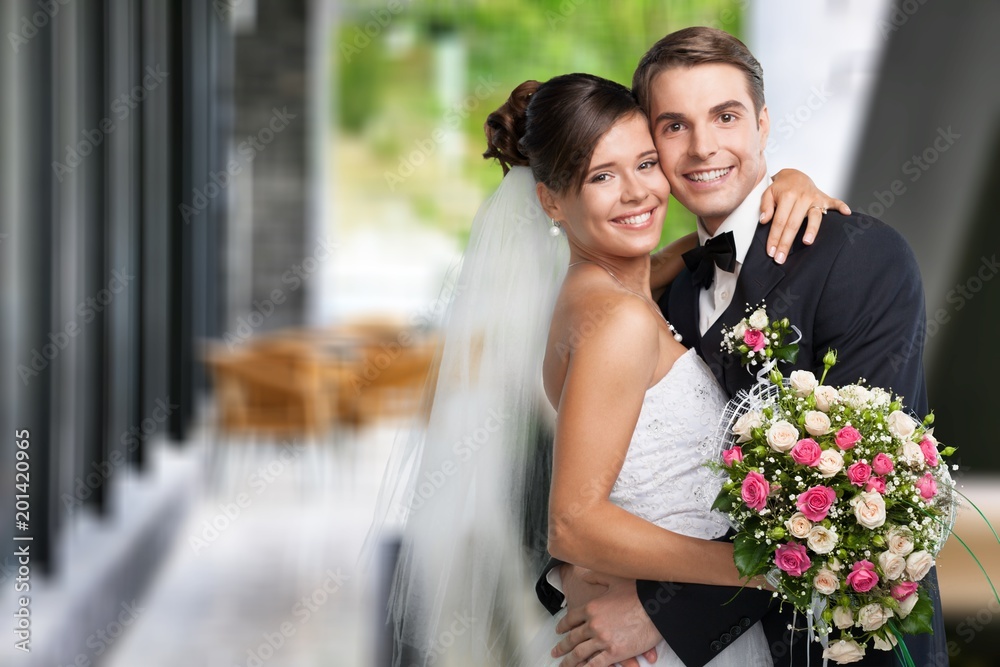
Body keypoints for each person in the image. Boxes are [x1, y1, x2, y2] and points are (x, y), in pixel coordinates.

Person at [363, 63, 846, 666]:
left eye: (646, 163)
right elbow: (573, 524)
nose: (638, 192)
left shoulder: (600, 293)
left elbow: (687, 249)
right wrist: (768, 570)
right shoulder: (616, 321)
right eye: (602, 176)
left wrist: (789, 183)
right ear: (551, 202)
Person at [541, 27, 948, 667]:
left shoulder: (859, 258)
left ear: (762, 124)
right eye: (674, 127)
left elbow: (866, 502)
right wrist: (576, 570)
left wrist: (659, 611)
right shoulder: (664, 294)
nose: (704, 148)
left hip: (851, 645)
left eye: (725, 117)